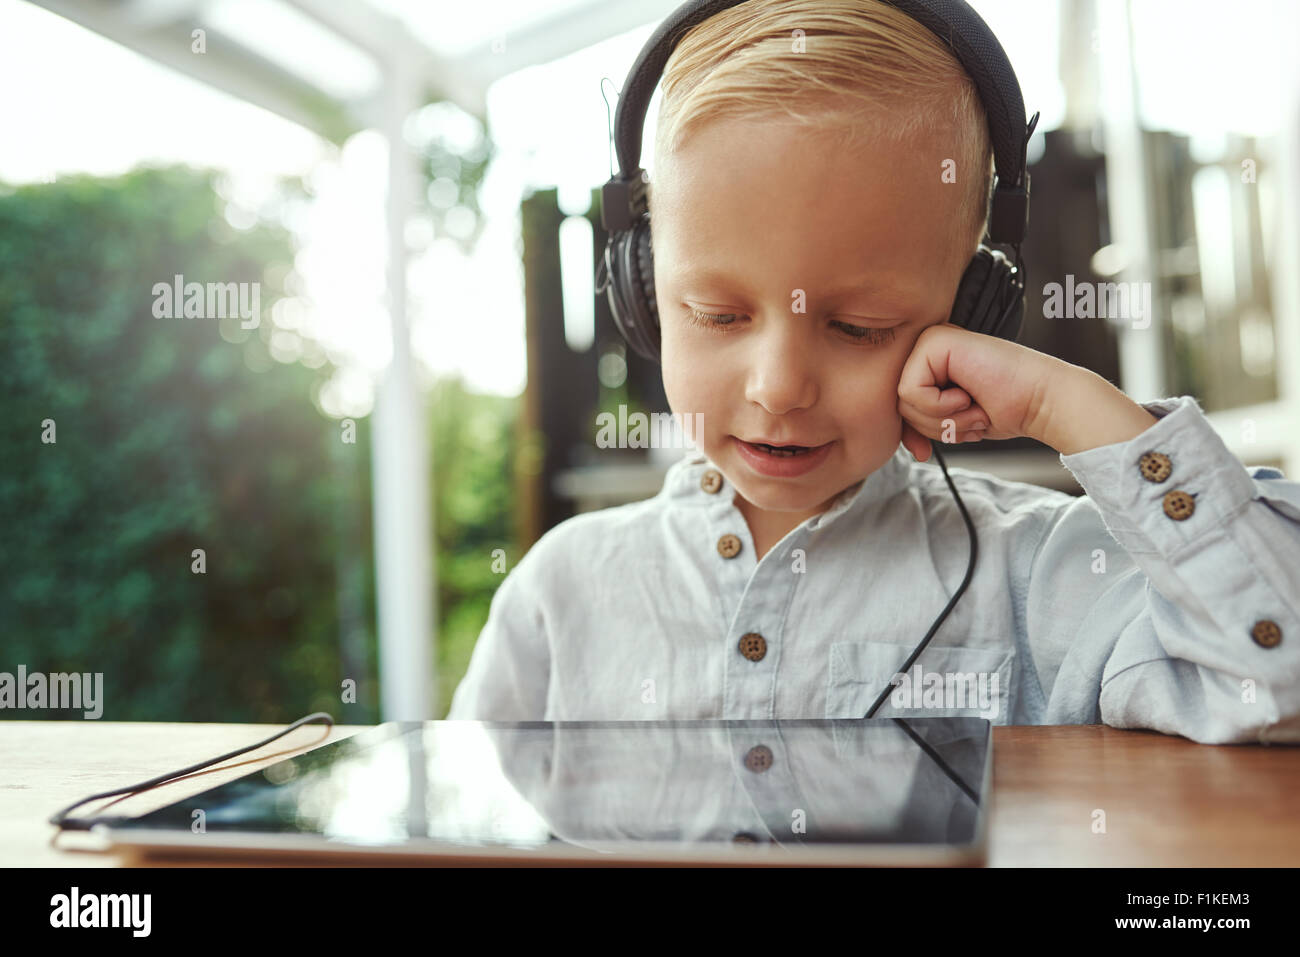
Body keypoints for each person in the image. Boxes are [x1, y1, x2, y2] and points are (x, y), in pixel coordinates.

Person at [448, 0, 1300, 744]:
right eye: (717, 315)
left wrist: (1063, 400)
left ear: (969, 312)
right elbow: (463, 838)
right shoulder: (560, 598)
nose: (779, 386)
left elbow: (1278, 675)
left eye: (858, 326)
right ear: (641, 292)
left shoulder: (1040, 578)